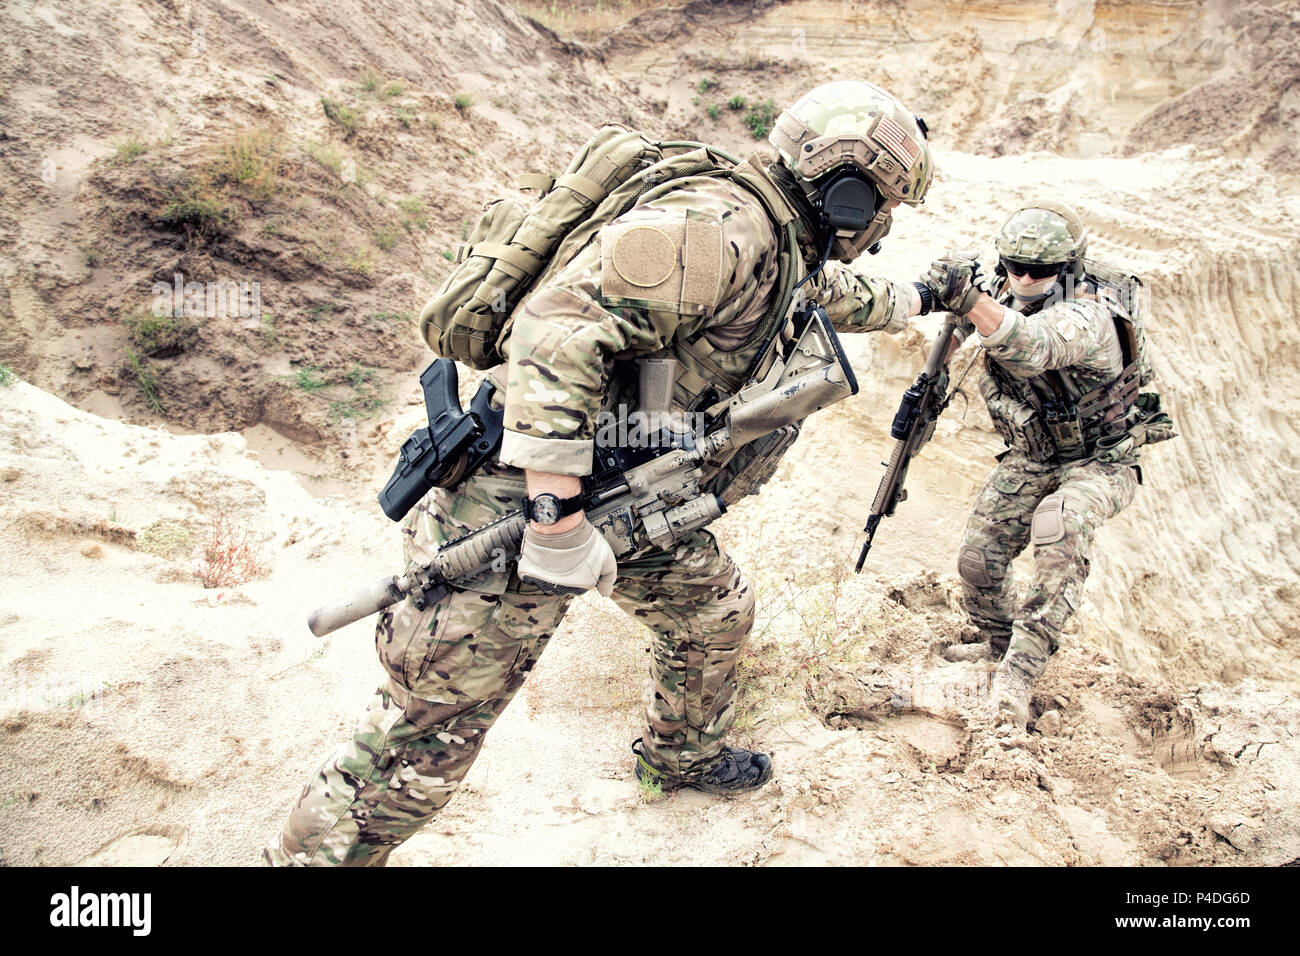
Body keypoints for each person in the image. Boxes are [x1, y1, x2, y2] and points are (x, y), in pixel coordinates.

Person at [265, 80, 937, 865]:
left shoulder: (777, 236)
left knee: (712, 612)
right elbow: (556, 333)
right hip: (520, 504)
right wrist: (556, 524)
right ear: (849, 190)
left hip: (626, 488)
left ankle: (681, 757)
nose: (880, 226)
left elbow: (822, 295)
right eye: (882, 204)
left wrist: (925, 295)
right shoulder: (722, 225)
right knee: (422, 744)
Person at [922, 201, 1172, 729]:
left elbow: (1032, 347)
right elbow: (958, 334)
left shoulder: (1090, 313)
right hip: (1036, 454)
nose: (1027, 278)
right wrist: (943, 330)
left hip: (1103, 460)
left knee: (1058, 527)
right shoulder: (1004, 287)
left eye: (1042, 271)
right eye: (1016, 266)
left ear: (1070, 269)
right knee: (978, 559)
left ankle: (1021, 671)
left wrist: (970, 301)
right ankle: (995, 643)